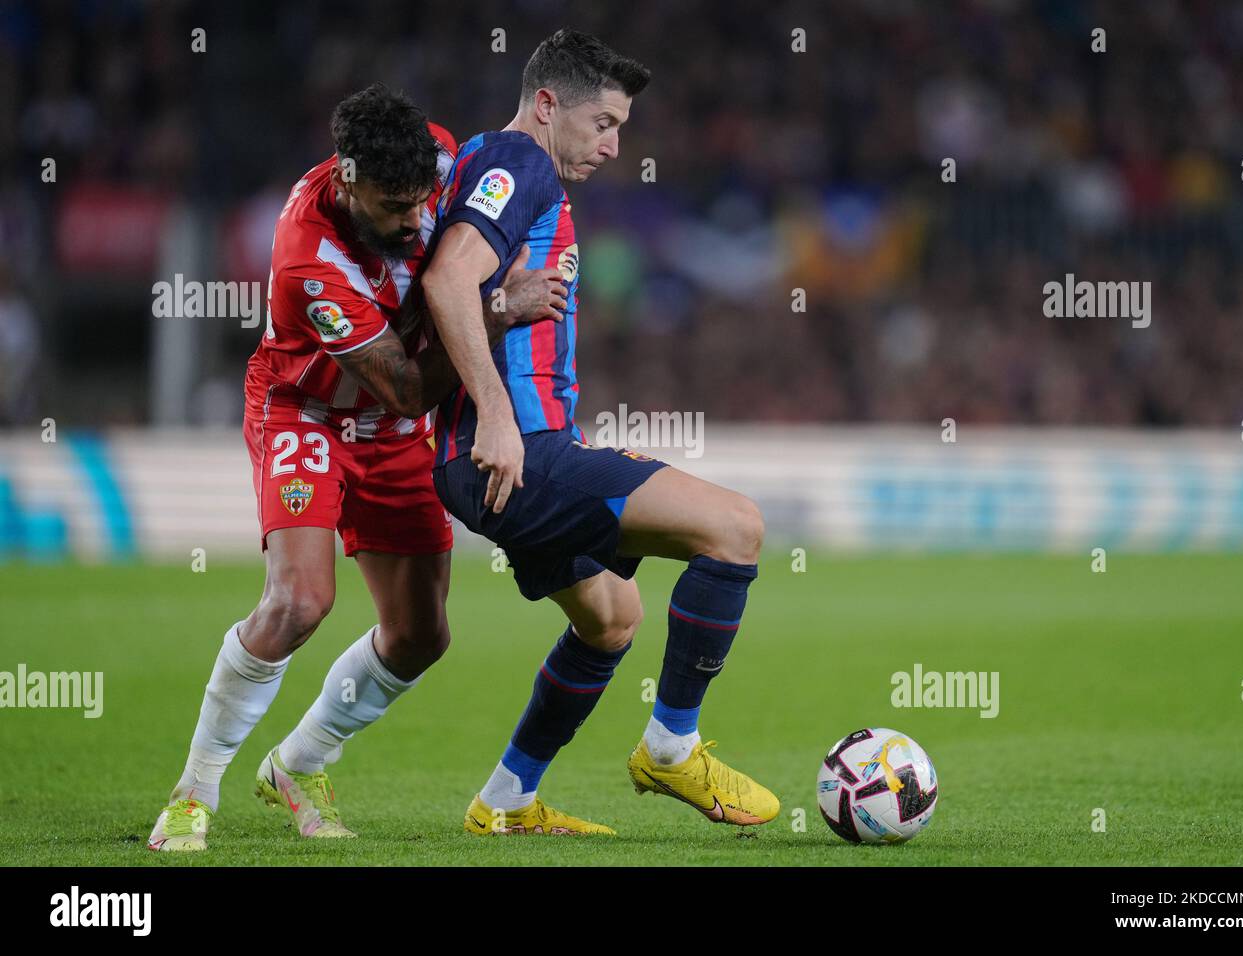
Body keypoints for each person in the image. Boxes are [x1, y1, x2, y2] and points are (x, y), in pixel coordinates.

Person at [148, 84, 567, 851]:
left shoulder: (433, 153)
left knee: (420, 634)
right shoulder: (310, 260)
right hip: (307, 411)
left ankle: (299, 765)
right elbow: (408, 385)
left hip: (395, 430)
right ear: (345, 177)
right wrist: (501, 310)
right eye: (393, 208)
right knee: (300, 602)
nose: (414, 222)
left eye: (421, 203)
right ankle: (194, 790)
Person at [422, 30, 777, 836]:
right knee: (737, 528)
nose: (616, 146)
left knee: (611, 617)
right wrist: (502, 418)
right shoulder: (523, 162)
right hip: (518, 452)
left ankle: (506, 803)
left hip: (493, 456)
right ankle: (671, 746)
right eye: (605, 123)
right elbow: (447, 282)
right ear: (548, 105)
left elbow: (460, 287)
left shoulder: (486, 158)